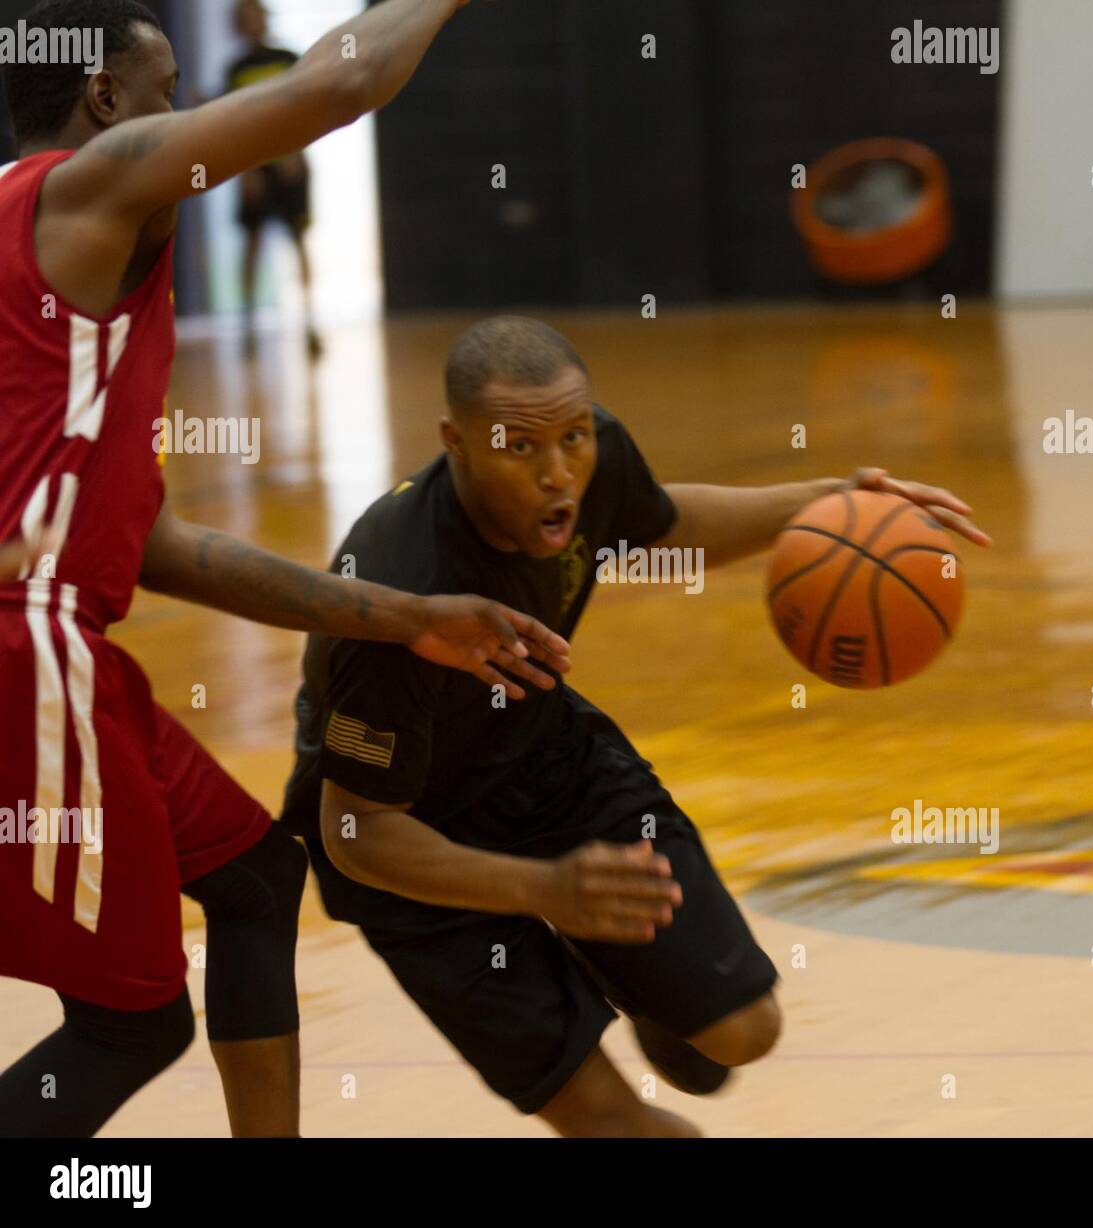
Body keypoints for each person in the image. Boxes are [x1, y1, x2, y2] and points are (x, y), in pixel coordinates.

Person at [0, 0, 574, 1140]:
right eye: (170, 90)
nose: (185, 119)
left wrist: (401, 614)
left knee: (257, 878)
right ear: (106, 101)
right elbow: (335, 89)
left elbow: (156, 544)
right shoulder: (91, 182)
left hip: (62, 636)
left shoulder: (42, 254)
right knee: (129, 1023)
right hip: (32, 646)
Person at [280, 315, 992, 1137]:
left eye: (574, 439)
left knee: (740, 1033)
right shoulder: (396, 597)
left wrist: (831, 503)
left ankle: (612, 965)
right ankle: (574, 939)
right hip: (411, 841)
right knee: (616, 1127)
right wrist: (543, 890)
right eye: (521, 448)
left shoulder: (592, 459)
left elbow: (660, 528)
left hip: (543, 754)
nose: (560, 475)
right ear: (457, 443)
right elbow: (355, 832)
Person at [224, 0, 321, 360]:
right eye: (245, 18)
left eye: (257, 15)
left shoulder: (288, 58)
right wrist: (247, 171)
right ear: (238, 25)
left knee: (299, 243)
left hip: (290, 165)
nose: (254, 23)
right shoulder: (234, 70)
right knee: (251, 246)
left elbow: (308, 109)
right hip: (256, 169)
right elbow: (233, 124)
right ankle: (248, 325)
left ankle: (311, 323)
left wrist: (296, 153)